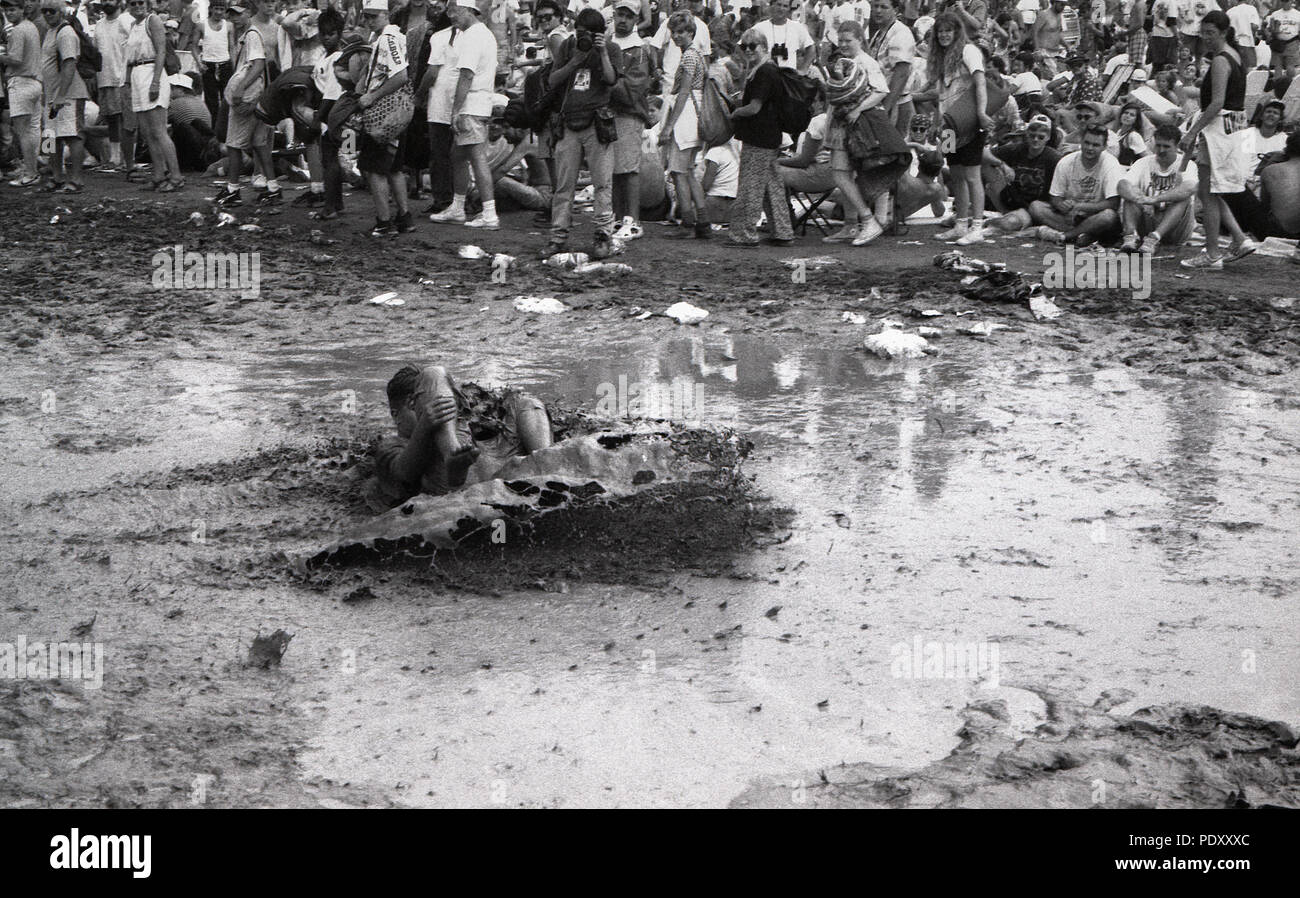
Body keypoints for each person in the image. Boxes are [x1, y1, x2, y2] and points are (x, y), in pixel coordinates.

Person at [367, 364, 553, 513]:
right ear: (395, 415)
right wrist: (424, 426)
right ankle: (452, 456)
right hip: (451, 489)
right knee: (433, 374)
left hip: (504, 475)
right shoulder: (391, 445)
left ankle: (547, 462)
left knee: (527, 403)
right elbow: (403, 473)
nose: (424, 409)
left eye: (434, 401)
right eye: (415, 405)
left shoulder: (459, 427)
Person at [541, 6, 624, 256]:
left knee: (602, 183)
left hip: (597, 122)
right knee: (564, 185)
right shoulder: (568, 46)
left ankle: (602, 236)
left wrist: (602, 52)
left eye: (588, 33)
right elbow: (553, 80)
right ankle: (557, 237)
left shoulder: (611, 49)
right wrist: (574, 61)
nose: (582, 37)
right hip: (569, 122)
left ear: (600, 33)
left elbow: (611, 80)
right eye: (579, 32)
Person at [1179, 9, 1258, 269]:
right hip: (1231, 128)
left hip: (1218, 130)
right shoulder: (1235, 56)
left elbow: (1217, 103)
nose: (1206, 38)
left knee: (1209, 191)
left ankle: (1212, 252)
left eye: (1211, 33)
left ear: (1223, 33)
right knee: (1209, 189)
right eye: (1203, 33)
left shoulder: (1222, 61)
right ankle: (1238, 237)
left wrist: (1192, 132)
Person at [822, 25, 909, 244]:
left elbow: (881, 91)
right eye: (840, 41)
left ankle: (868, 220)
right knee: (846, 175)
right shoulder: (843, 62)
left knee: (841, 174)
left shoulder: (866, 62)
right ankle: (851, 226)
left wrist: (858, 109)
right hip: (842, 124)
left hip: (855, 126)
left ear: (860, 39)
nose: (843, 45)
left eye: (848, 40)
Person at [429, 0, 500, 230]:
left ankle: (489, 212)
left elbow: (466, 75)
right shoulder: (483, 34)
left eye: (455, 11)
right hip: (477, 104)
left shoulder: (472, 36)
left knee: (476, 157)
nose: (451, 16)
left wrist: (456, 110)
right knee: (457, 155)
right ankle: (457, 207)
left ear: (469, 10)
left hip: (471, 106)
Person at [923, 11, 993, 245]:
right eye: (940, 31)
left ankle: (977, 227)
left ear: (956, 32)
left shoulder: (968, 51)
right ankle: (961, 224)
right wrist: (936, 122)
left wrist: (982, 113)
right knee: (956, 173)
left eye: (948, 31)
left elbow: (980, 81)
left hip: (969, 122)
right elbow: (942, 95)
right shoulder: (943, 58)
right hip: (949, 125)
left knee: (973, 175)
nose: (943, 35)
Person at [727, 27, 793, 246]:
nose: (747, 50)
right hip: (769, 136)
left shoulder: (763, 72)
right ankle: (782, 231)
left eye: (752, 46)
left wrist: (735, 112)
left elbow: (754, 107)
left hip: (758, 137)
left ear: (764, 47)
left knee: (750, 187)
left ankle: (743, 234)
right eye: (744, 46)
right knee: (771, 186)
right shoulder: (769, 69)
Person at [356, 0, 414, 237]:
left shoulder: (388, 39)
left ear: (384, 14)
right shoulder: (392, 36)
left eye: (373, 16)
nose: (368, 21)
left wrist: (372, 96)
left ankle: (384, 222)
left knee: (373, 169)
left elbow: (400, 76)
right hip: (397, 109)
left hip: (385, 111)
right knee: (394, 168)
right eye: (366, 16)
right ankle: (404, 217)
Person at [212, 1, 273, 205]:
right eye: (232, 14)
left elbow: (258, 64)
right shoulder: (246, 34)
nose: (235, 18)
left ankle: (233, 189)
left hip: (248, 94)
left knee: (233, 144)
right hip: (254, 94)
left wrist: (240, 88)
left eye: (238, 13)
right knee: (259, 143)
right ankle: (272, 187)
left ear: (248, 12)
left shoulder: (252, 35)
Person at [658, 9, 710, 239]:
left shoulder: (689, 56)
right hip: (694, 115)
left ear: (691, 32)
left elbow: (683, 93)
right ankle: (703, 222)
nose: (677, 36)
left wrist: (668, 126)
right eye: (674, 32)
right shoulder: (696, 54)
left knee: (679, 173)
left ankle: (688, 223)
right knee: (687, 171)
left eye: (681, 32)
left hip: (686, 117)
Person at [1029, 122, 1122, 245]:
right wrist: (1061, 205)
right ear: (1081, 142)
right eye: (1087, 143)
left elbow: (1113, 203)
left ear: (1104, 147)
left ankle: (1066, 236)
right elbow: (1055, 196)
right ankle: (1083, 234)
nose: (1090, 148)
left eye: (1095, 145)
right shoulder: (1066, 162)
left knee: (1109, 216)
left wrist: (1079, 206)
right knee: (1035, 207)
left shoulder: (1110, 163)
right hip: (1070, 217)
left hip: (1095, 216)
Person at [124, 0, 184, 189]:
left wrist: (156, 81)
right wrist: (127, 82)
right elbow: (130, 58)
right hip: (137, 74)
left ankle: (176, 176)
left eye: (140, 2)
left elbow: (161, 52)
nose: (137, 6)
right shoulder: (134, 25)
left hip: (151, 72)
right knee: (147, 132)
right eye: (133, 3)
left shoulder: (154, 20)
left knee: (159, 130)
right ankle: (158, 175)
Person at [609, 0, 654, 240]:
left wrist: (607, 81)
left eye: (628, 16)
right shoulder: (607, 43)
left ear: (636, 19)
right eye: (620, 15)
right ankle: (618, 218)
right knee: (615, 168)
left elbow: (632, 91)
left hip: (629, 113)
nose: (623, 20)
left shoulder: (640, 49)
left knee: (629, 168)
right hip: (609, 114)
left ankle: (633, 220)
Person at [1117, 122, 1197, 253]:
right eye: (1158, 145)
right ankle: (1131, 236)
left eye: (1166, 146)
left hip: (1176, 227)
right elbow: (1122, 185)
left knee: (1183, 198)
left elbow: (1190, 187)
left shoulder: (1186, 163)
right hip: (1149, 220)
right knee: (1130, 194)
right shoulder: (1143, 162)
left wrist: (1154, 200)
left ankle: (1155, 237)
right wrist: (1139, 198)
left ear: (1177, 146)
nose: (1161, 150)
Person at [38, 0, 91, 192]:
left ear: (60, 12)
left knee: (73, 135)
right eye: (44, 11)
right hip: (52, 93)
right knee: (51, 136)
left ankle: (76, 179)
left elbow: (70, 64)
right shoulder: (50, 32)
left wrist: (61, 94)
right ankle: (56, 175)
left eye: (51, 11)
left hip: (69, 93)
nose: (47, 14)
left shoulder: (66, 32)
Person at [985, 113, 1059, 228]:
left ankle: (985, 222)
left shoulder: (1053, 158)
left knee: (1009, 223)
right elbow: (982, 153)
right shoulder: (1016, 148)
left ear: (1048, 137)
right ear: (1027, 134)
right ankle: (1000, 212)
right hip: (1011, 199)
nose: (1035, 140)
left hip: (1033, 207)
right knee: (987, 166)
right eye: (1032, 135)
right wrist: (1002, 164)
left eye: (1040, 137)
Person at [0, 0, 43, 187]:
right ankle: (33, 170)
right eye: (6, 10)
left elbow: (15, 59)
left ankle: (30, 172)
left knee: (23, 132)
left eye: (13, 9)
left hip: (21, 81)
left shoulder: (18, 30)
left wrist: (1, 55)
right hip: (35, 81)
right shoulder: (31, 26)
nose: (9, 13)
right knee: (33, 130)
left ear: (21, 10)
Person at [93, 0, 133, 171]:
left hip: (123, 77)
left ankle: (129, 158)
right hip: (104, 77)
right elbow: (96, 52)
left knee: (127, 120)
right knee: (111, 118)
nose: (107, 2)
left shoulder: (126, 20)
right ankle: (115, 157)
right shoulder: (99, 25)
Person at [866, 0, 915, 131]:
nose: (878, 10)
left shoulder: (901, 33)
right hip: (879, 101)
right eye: (875, 6)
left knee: (896, 147)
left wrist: (886, 108)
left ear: (896, 10)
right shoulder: (879, 32)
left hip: (896, 103)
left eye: (884, 7)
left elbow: (901, 74)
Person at [192, 0, 232, 124]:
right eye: (216, 9)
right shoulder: (201, 25)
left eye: (222, 9)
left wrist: (234, 65)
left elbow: (233, 47)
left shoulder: (229, 25)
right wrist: (199, 64)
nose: (219, 12)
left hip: (225, 64)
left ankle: (225, 128)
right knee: (211, 101)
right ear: (211, 9)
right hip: (208, 66)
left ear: (225, 11)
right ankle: (213, 129)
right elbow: (193, 46)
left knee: (227, 99)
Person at [753, 0, 813, 71]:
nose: (781, 9)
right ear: (773, 5)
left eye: (785, 6)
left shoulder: (797, 27)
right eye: (779, 5)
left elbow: (811, 47)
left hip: (789, 76)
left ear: (789, 9)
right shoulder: (760, 27)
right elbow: (741, 46)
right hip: (766, 76)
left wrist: (804, 69)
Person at [1268, 0, 1300, 80]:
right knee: (1277, 67)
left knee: (1290, 68)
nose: (1285, 3)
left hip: (1292, 42)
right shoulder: (1275, 14)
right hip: (1278, 43)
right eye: (1283, 1)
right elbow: (1270, 30)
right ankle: (1278, 87)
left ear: (1291, 2)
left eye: (1287, 1)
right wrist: (1275, 28)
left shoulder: (1297, 14)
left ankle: (1290, 86)